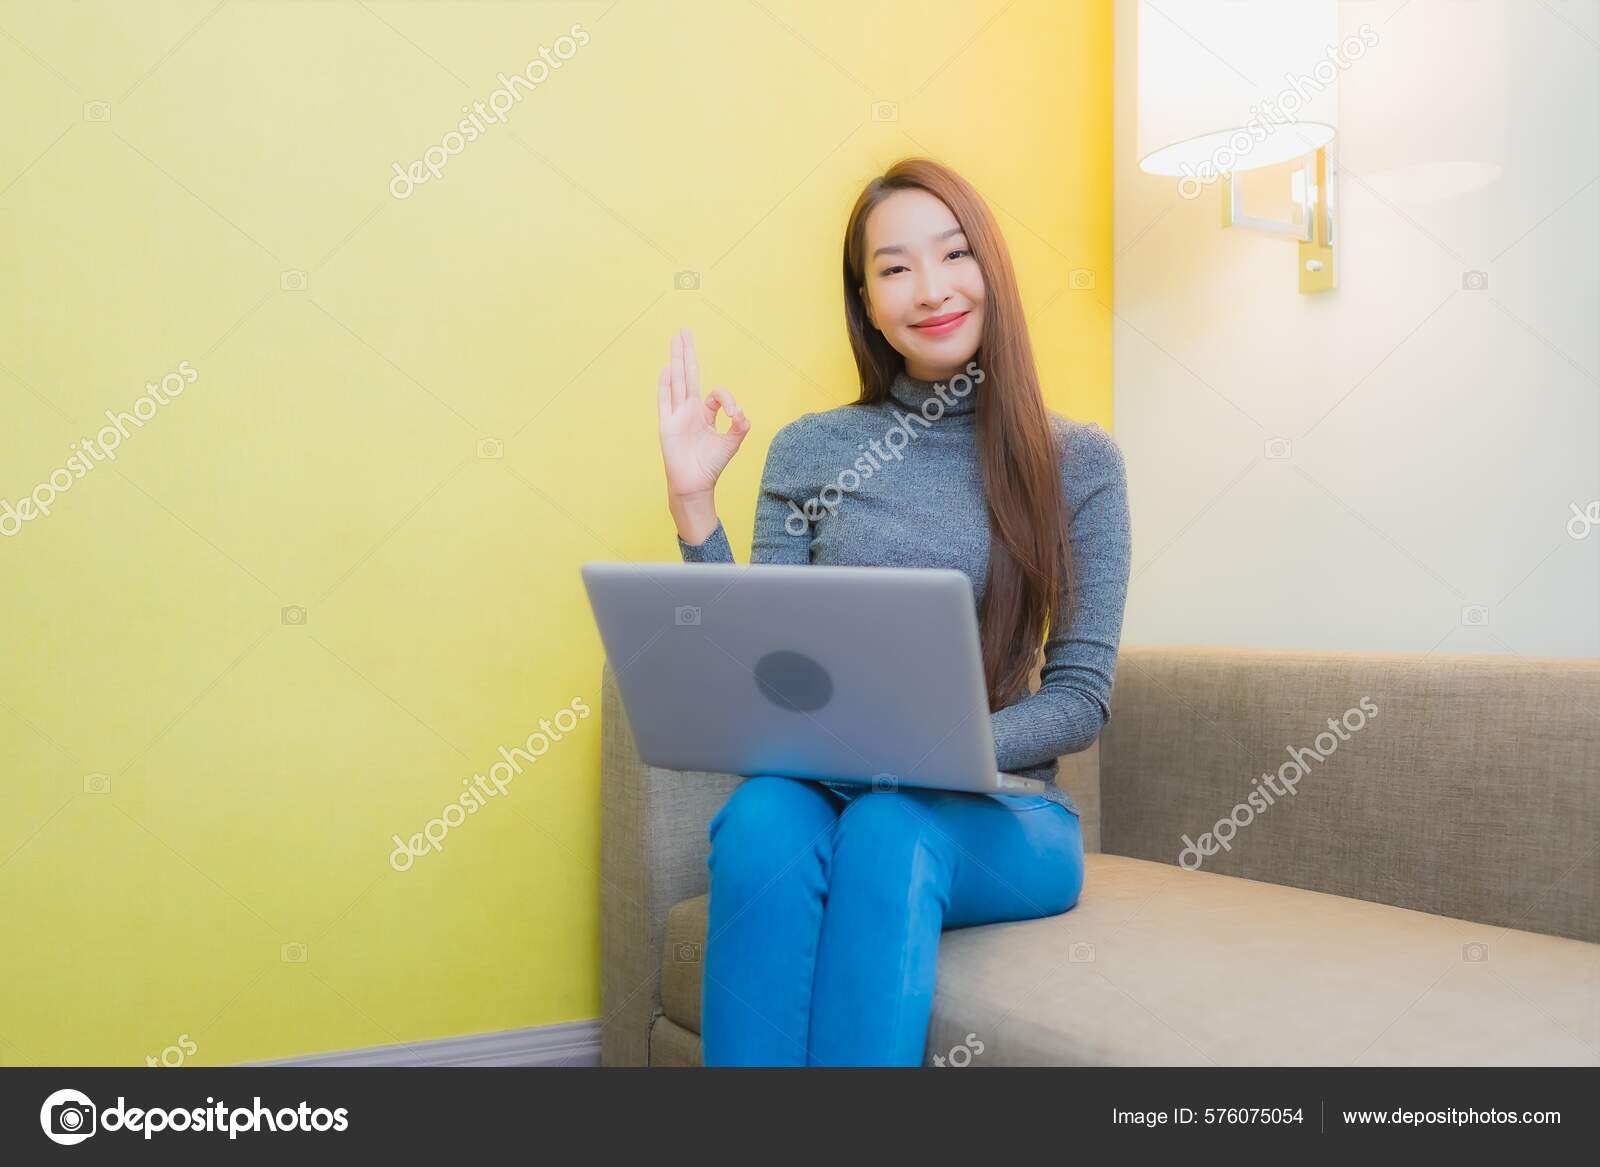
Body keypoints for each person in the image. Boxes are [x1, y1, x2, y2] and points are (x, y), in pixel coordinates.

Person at [653, 157, 1131, 1066]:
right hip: (828, 793)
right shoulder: (810, 450)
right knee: (761, 816)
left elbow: (1079, 696)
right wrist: (692, 507)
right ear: (865, 301)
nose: (932, 288)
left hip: (1005, 815)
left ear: (991, 269)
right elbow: (763, 669)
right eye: (895, 267)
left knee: (890, 823)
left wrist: (930, 751)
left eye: (954, 254)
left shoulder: (1080, 462)